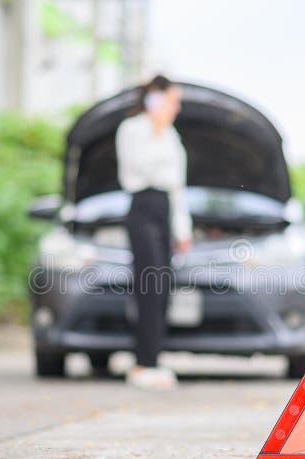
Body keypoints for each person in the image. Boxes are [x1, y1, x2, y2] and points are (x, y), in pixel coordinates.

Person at [115, 74, 192, 390]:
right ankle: (142, 363)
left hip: (164, 210)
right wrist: (155, 127)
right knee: (148, 284)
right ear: (156, 99)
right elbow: (141, 167)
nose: (177, 107)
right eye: (173, 100)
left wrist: (182, 229)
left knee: (162, 285)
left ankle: (154, 359)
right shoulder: (132, 129)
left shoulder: (171, 135)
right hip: (142, 207)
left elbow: (177, 185)